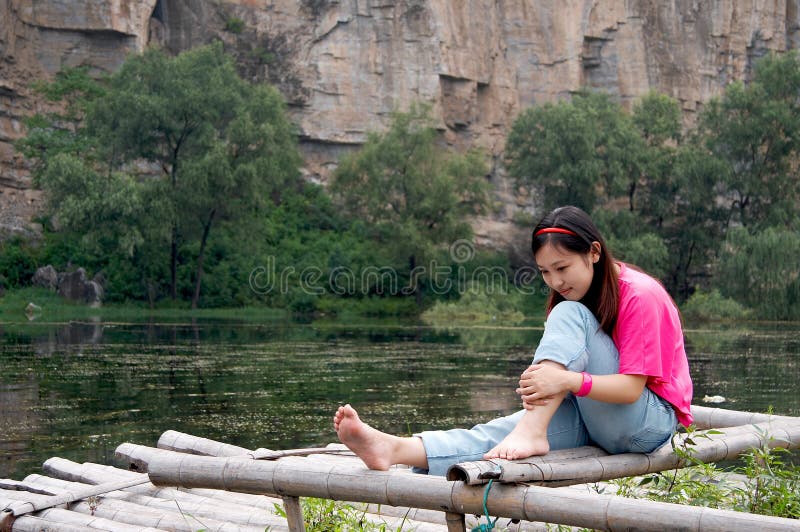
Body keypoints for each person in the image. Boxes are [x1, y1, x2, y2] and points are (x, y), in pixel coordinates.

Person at [333, 205, 693, 476]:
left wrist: (566, 380)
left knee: (567, 314)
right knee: (500, 436)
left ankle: (532, 429)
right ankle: (395, 449)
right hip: (600, 418)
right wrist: (553, 391)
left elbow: (631, 389)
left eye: (562, 268)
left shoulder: (640, 295)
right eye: (545, 272)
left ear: (594, 253)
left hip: (647, 425)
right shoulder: (577, 294)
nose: (555, 281)